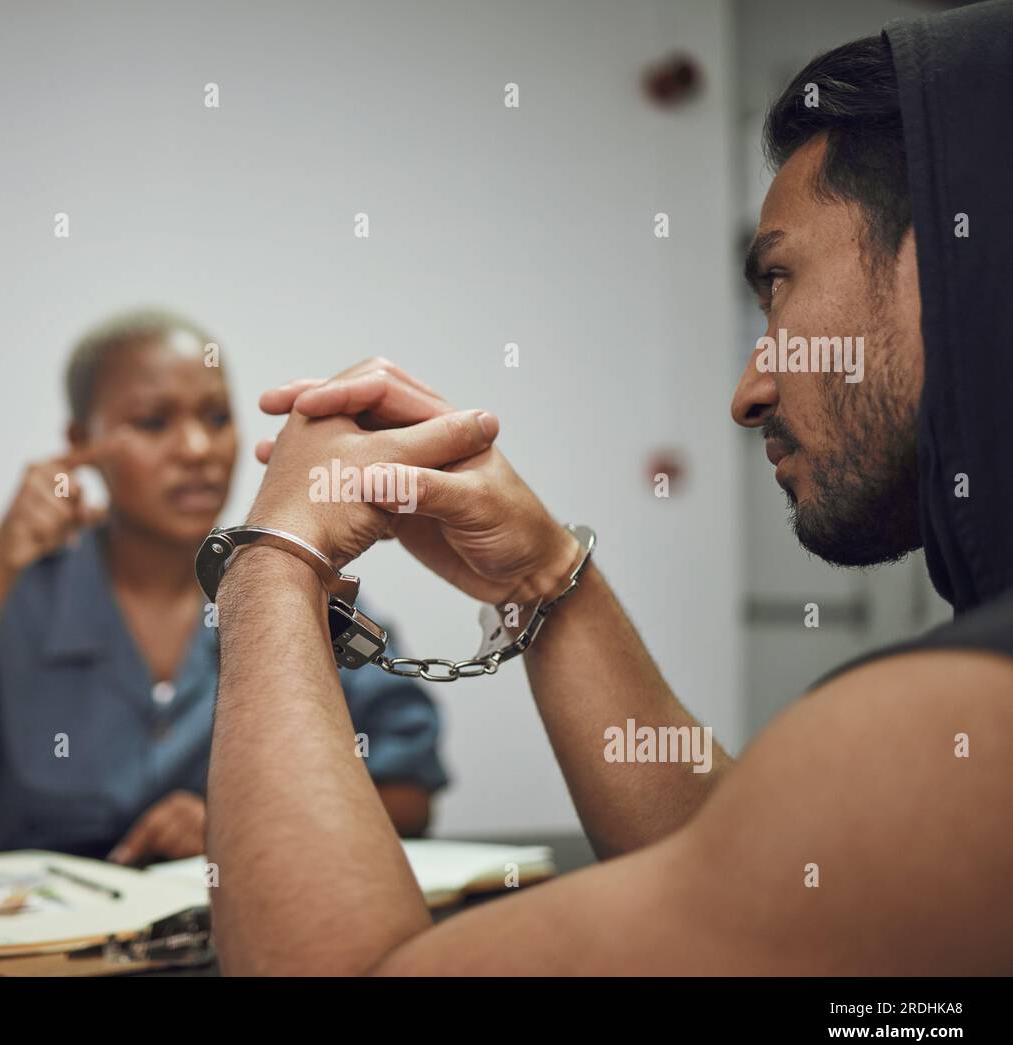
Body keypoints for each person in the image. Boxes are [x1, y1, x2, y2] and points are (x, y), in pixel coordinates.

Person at [202, 1, 1013, 974]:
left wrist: (269, 560)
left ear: (962, 259)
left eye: (780, 279)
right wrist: (545, 573)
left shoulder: (968, 730)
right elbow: (735, 887)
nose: (748, 391)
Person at [0, 309, 448, 863]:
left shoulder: (292, 584)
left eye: (217, 418)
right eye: (153, 422)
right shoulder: (7, 590)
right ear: (80, 440)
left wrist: (243, 823)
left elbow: (410, 795)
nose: (198, 450)